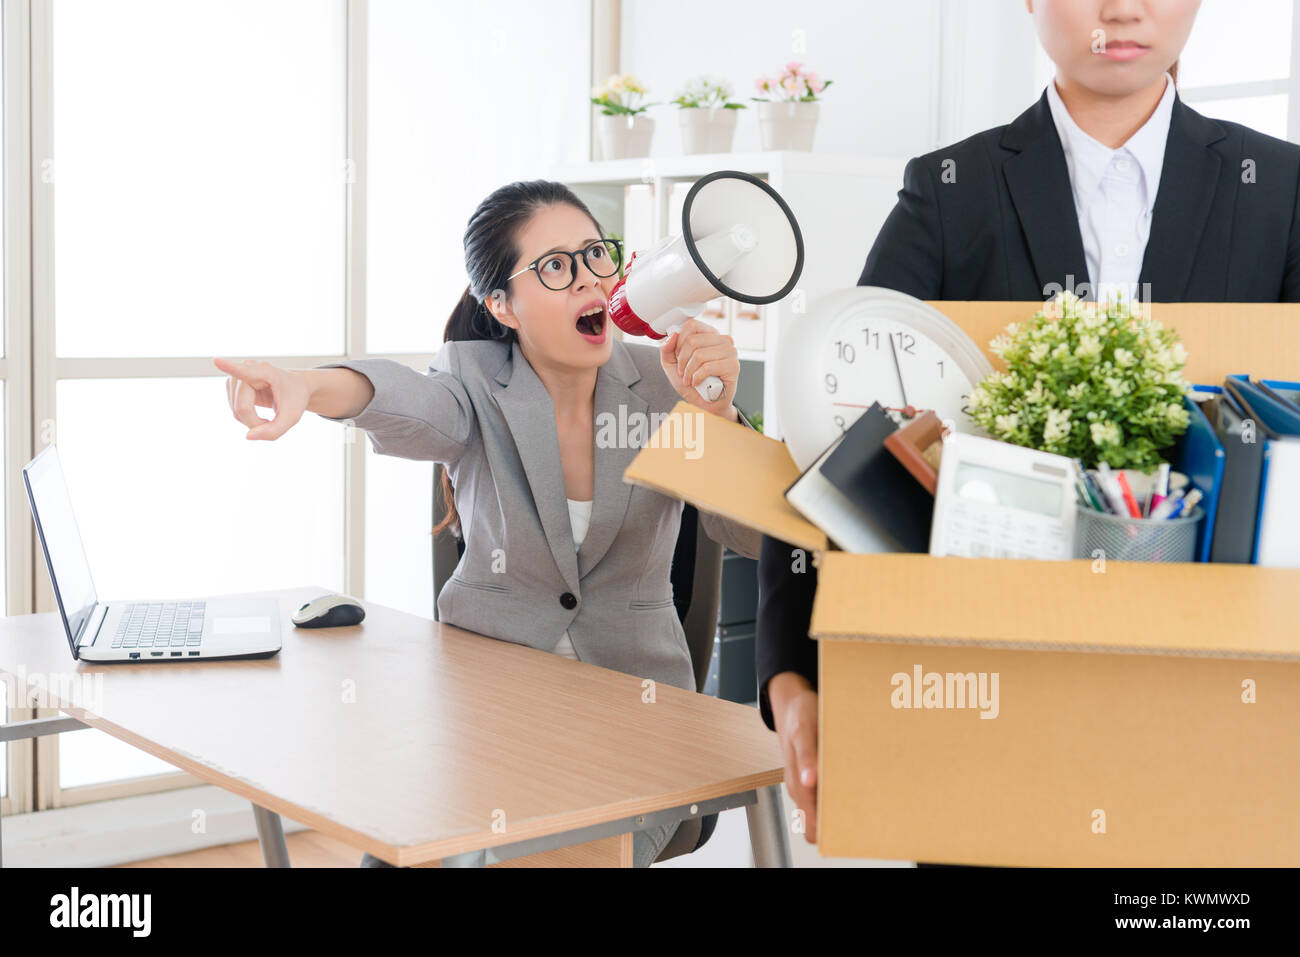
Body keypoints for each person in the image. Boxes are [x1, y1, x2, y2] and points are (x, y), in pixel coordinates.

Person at [758, 0, 1300, 856]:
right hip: (987, 695)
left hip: (1222, 704)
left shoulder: (1281, 184)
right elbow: (832, 430)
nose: (1122, 8)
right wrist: (794, 669)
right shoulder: (949, 190)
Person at [214, 179, 762, 868]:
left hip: (635, 719)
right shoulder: (473, 382)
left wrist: (717, 419)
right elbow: (397, 397)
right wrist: (306, 384)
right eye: (556, 267)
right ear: (501, 305)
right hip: (489, 717)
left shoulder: (665, 384)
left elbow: (753, 536)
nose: (588, 278)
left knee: (548, 851)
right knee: (415, 845)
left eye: (596, 255)